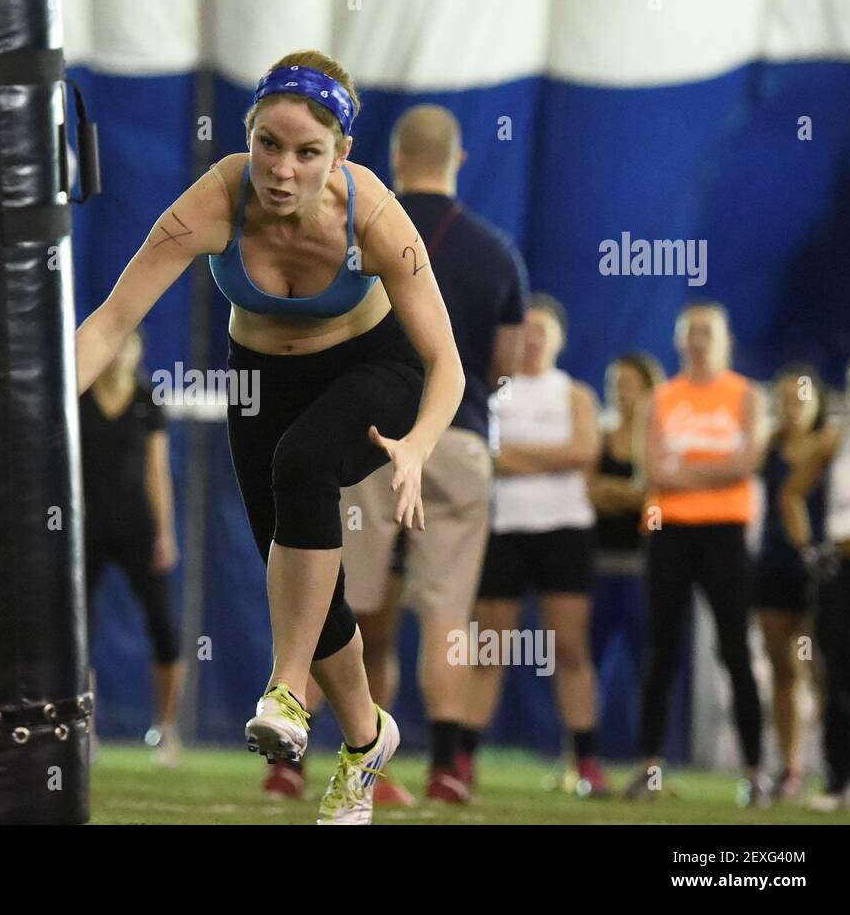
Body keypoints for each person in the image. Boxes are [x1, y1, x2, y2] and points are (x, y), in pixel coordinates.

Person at [74, 50, 464, 824]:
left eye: (307, 152)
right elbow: (112, 321)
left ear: (341, 154)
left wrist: (419, 443)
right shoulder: (213, 203)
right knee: (299, 571)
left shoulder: (375, 217)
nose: (282, 170)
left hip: (373, 369)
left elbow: (445, 359)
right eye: (268, 145)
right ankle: (365, 738)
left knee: (305, 461)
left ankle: (285, 689)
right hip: (260, 378)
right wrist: (41, 415)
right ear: (247, 137)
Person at [332, 104, 528, 806]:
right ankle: (447, 767)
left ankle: (346, 766)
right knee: (446, 613)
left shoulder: (360, 238)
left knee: (354, 603)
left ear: (396, 159)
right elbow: (503, 368)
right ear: (461, 159)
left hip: (374, 440)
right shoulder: (497, 251)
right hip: (461, 437)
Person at [460, 295, 607, 796]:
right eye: (527, 330)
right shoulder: (492, 393)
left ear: (559, 339)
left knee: (570, 649)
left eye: (544, 330)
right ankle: (462, 759)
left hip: (564, 531)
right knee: (490, 648)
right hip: (503, 530)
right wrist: (551, 458)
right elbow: (487, 457)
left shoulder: (576, 394)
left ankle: (586, 761)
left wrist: (516, 456)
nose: (535, 339)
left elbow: (584, 452)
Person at [628, 301, 768, 806]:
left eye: (708, 332)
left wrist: (685, 469)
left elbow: (748, 461)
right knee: (662, 649)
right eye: (691, 332)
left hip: (726, 533)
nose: (699, 340)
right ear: (679, 340)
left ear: (724, 339)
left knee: (735, 649)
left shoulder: (745, 395)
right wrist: (712, 468)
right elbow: (652, 472)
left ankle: (755, 774)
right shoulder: (662, 398)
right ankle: (650, 769)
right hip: (669, 532)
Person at [81, 327, 184, 766]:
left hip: (138, 529)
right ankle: (82, 731)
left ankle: (165, 729)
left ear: (138, 351)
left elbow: (156, 472)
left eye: (128, 343)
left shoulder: (146, 401)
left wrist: (165, 533)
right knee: (76, 634)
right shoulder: (77, 397)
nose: (119, 351)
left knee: (164, 628)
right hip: (84, 528)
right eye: (114, 341)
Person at [780, 353, 850, 812]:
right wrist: (809, 549)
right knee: (838, 678)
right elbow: (791, 492)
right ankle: (838, 780)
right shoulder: (836, 438)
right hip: (842, 568)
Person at [588, 353, 664, 762]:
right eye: (616, 383)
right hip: (600, 565)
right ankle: (581, 760)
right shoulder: (602, 434)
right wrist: (632, 496)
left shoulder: (660, 440)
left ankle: (651, 763)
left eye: (630, 383)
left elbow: (656, 507)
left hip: (645, 570)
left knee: (648, 667)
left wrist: (616, 493)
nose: (622, 392)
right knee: (586, 664)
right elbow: (591, 494)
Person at [755, 363, 827, 798]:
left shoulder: (832, 447)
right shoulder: (766, 448)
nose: (792, 406)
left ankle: (837, 763)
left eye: (800, 397)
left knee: (825, 670)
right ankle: (791, 768)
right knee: (783, 670)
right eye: (783, 398)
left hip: (824, 568)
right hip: (775, 567)